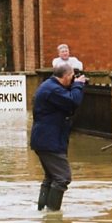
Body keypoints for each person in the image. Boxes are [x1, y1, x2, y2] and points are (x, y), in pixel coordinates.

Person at [30, 62, 87, 211]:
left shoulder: (50, 85)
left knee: (51, 177)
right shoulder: (53, 90)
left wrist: (74, 85)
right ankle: (52, 215)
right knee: (63, 177)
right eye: (72, 77)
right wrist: (78, 85)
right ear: (67, 76)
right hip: (49, 141)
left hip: (46, 140)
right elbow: (73, 101)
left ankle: (43, 211)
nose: (73, 79)